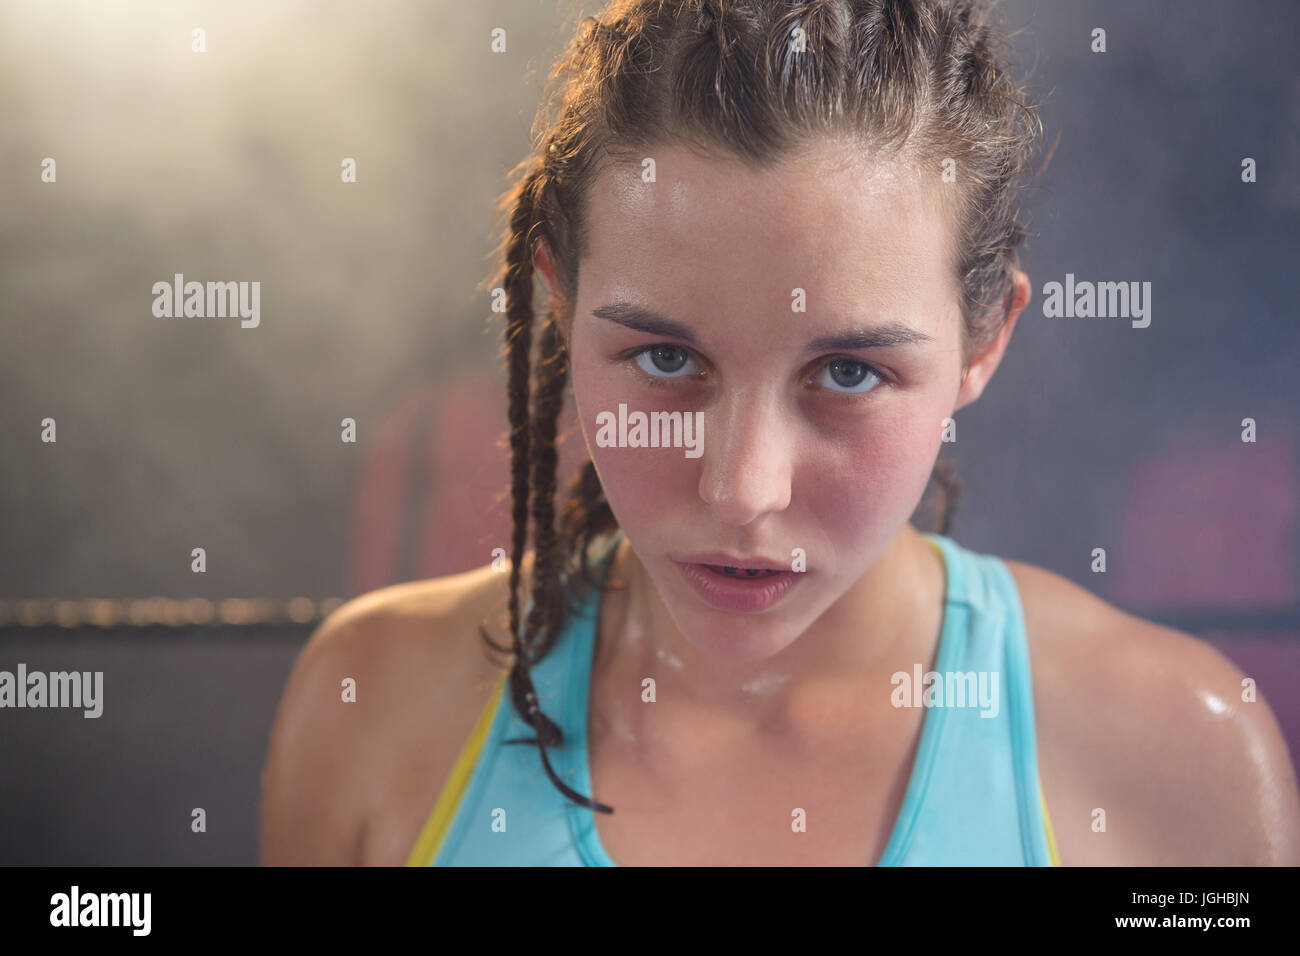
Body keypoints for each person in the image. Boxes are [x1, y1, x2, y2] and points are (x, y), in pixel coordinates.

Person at [260, 0, 1300, 866]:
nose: (742, 488)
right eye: (667, 360)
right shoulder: (374, 703)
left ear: (984, 343)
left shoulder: (1179, 760)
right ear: (557, 307)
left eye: (848, 372)